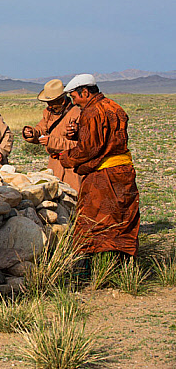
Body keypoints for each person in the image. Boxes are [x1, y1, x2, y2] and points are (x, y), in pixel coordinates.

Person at [59, 74, 140, 257]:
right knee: (122, 217)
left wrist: (67, 158)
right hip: (124, 171)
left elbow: (90, 149)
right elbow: (107, 139)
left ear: (85, 92)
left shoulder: (91, 111)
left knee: (91, 220)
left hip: (104, 176)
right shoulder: (114, 106)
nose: (75, 102)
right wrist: (79, 133)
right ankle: (122, 264)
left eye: (74, 97)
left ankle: (87, 268)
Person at [22, 79, 82, 192]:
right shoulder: (48, 113)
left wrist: (51, 142)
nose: (49, 106)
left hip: (71, 167)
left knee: (73, 199)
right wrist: (32, 133)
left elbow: (79, 145)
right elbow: (41, 129)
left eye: (51, 103)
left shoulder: (77, 114)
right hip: (54, 165)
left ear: (62, 101)